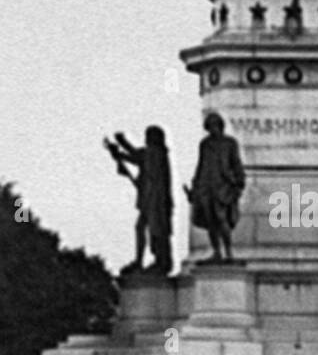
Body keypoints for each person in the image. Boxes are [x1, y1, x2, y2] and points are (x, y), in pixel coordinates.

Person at [104, 127, 174, 274]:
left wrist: (121, 144)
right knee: (142, 228)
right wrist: (119, 150)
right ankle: (140, 260)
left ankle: (158, 261)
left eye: (149, 136)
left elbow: (137, 156)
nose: (146, 139)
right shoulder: (153, 153)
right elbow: (137, 157)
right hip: (149, 199)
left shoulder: (156, 153)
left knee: (156, 230)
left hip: (156, 200)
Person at [186, 113, 245, 263]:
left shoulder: (230, 143)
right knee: (210, 221)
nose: (212, 129)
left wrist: (239, 181)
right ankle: (216, 251)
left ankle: (229, 251)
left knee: (222, 219)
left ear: (220, 126)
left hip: (222, 186)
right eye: (210, 126)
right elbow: (201, 165)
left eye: (215, 125)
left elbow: (236, 163)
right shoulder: (204, 144)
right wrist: (195, 185)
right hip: (207, 186)